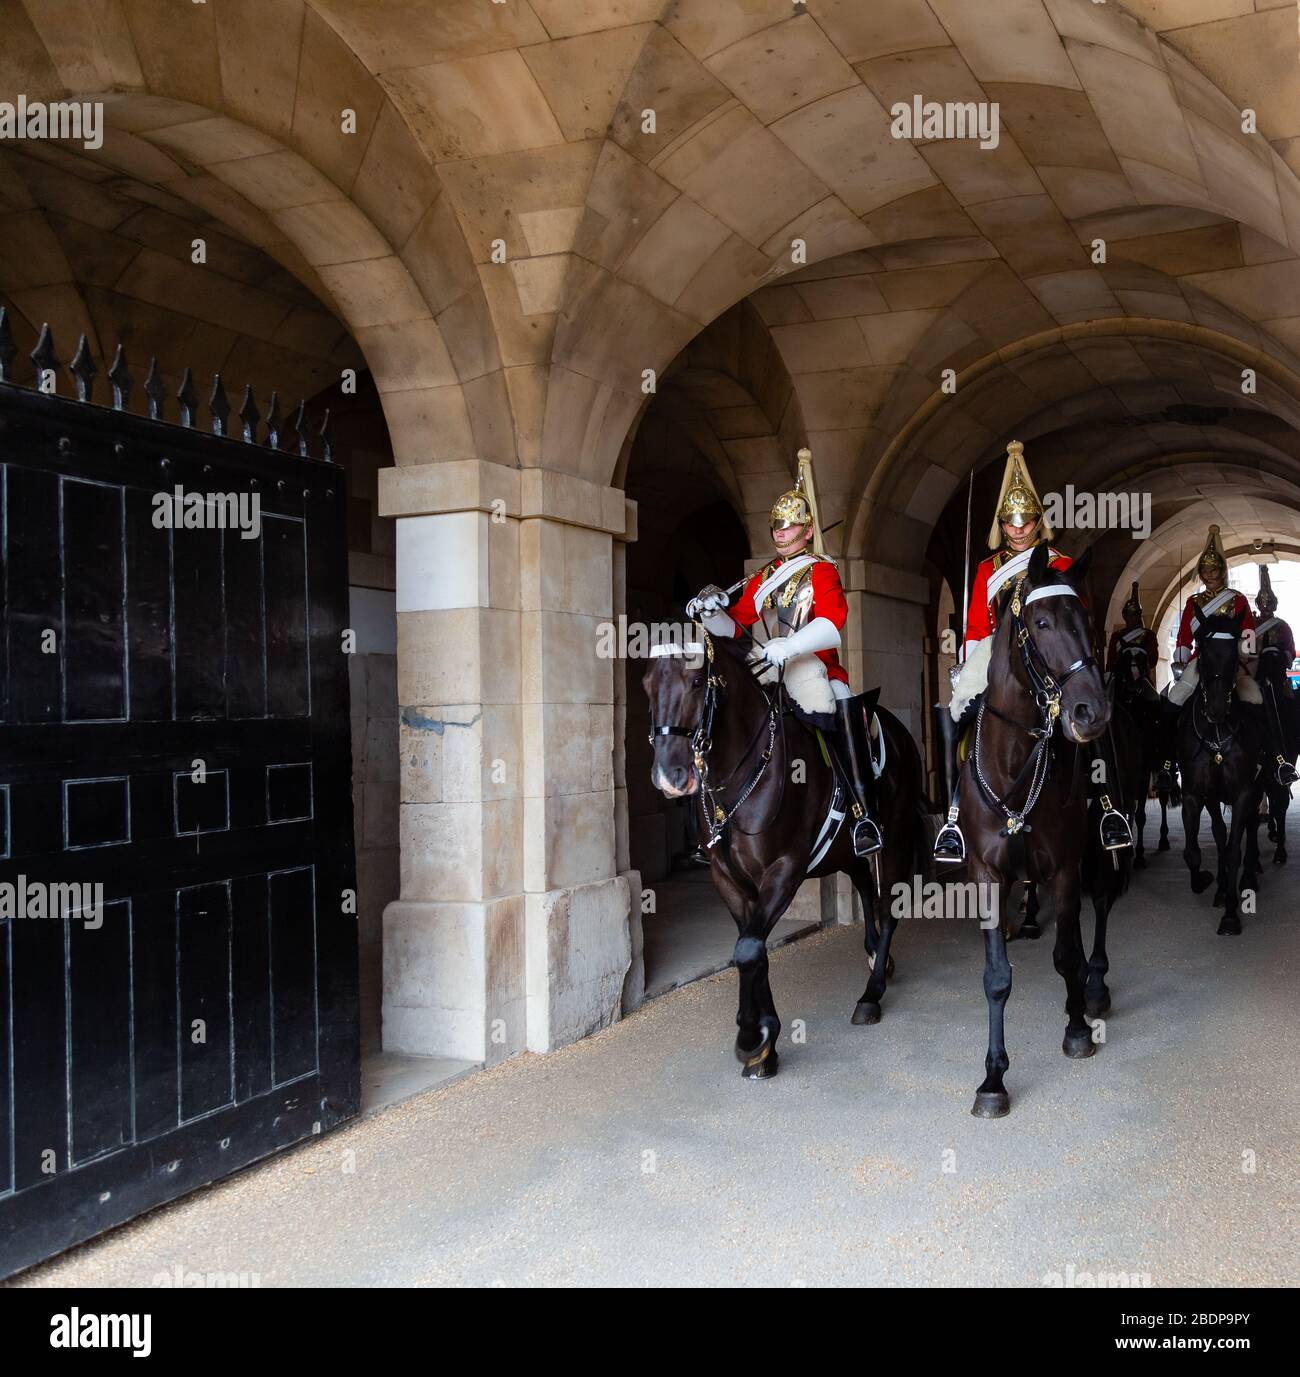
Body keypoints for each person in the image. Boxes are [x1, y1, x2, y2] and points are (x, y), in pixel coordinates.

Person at [932, 440, 1133, 864]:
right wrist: (970, 662)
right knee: (957, 709)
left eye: (1025, 522)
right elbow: (976, 624)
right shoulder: (988, 568)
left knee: (1087, 715)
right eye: (1010, 522)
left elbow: (1070, 622)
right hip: (996, 652)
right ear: (1001, 524)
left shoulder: (1058, 562)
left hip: (1048, 654)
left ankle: (1106, 804)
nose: (1018, 530)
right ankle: (953, 810)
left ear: (1038, 521)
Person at [687, 448, 882, 857]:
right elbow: (737, 626)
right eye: (776, 525)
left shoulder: (822, 569)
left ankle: (862, 813)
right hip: (768, 666)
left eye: (791, 525)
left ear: (807, 530)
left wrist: (789, 646)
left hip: (813, 667)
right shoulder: (764, 576)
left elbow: (832, 625)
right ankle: (720, 817)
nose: (781, 532)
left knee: (835, 710)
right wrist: (710, 614)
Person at [1163, 528, 1297, 787]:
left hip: (1233, 663)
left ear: (1222, 571)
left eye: (1214, 570)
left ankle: (1279, 760)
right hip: (1201, 662)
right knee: (1173, 699)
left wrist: (1245, 659)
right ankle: (1168, 764)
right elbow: (1183, 637)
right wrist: (1181, 656)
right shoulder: (1194, 602)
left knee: (1259, 700)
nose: (1209, 575)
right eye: (1205, 570)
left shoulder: (1237, 601)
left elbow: (1247, 630)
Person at [1254, 563, 1298, 787]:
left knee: (1291, 711)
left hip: (1278, 676)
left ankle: (1287, 759)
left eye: (1269, 602)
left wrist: (1278, 656)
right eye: (1263, 602)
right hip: (1255, 676)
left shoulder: (1283, 626)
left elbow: (1290, 651)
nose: (1266, 605)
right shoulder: (1250, 625)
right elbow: (1246, 651)